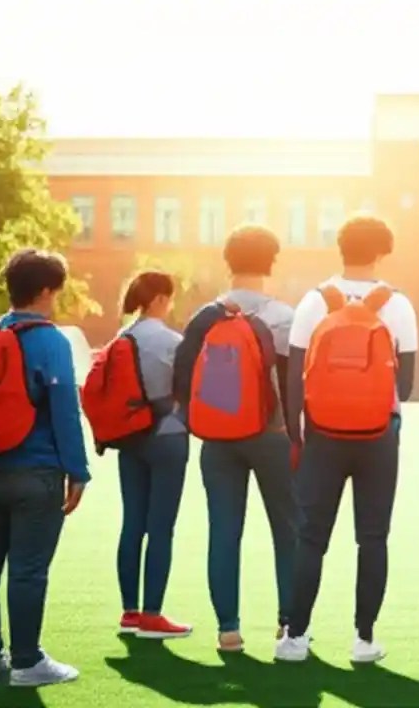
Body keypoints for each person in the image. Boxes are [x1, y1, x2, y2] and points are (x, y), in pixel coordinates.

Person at [277, 214, 418, 664]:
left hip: (322, 433)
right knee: (372, 537)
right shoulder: (397, 305)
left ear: (339, 249)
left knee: (311, 536)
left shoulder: (314, 301)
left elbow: (293, 377)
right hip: (379, 435)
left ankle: (295, 637)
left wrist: (298, 433)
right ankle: (363, 639)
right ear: (380, 253)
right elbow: (408, 383)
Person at [173, 224, 298, 653]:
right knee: (287, 529)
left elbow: (182, 378)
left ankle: (228, 629)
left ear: (228, 262)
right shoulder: (284, 316)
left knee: (224, 531)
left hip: (219, 436)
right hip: (274, 434)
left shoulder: (205, 316)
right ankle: (288, 626)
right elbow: (295, 382)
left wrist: (197, 423)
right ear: (272, 262)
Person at [0, 248, 90, 687]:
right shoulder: (52, 340)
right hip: (37, 474)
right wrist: (78, 471)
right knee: (29, 570)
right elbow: (65, 411)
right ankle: (28, 660)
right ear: (48, 290)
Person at [114, 271, 192, 639]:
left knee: (133, 523)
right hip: (168, 437)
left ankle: (130, 612)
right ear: (161, 299)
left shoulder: (121, 338)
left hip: (129, 436)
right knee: (161, 526)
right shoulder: (173, 342)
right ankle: (153, 614)